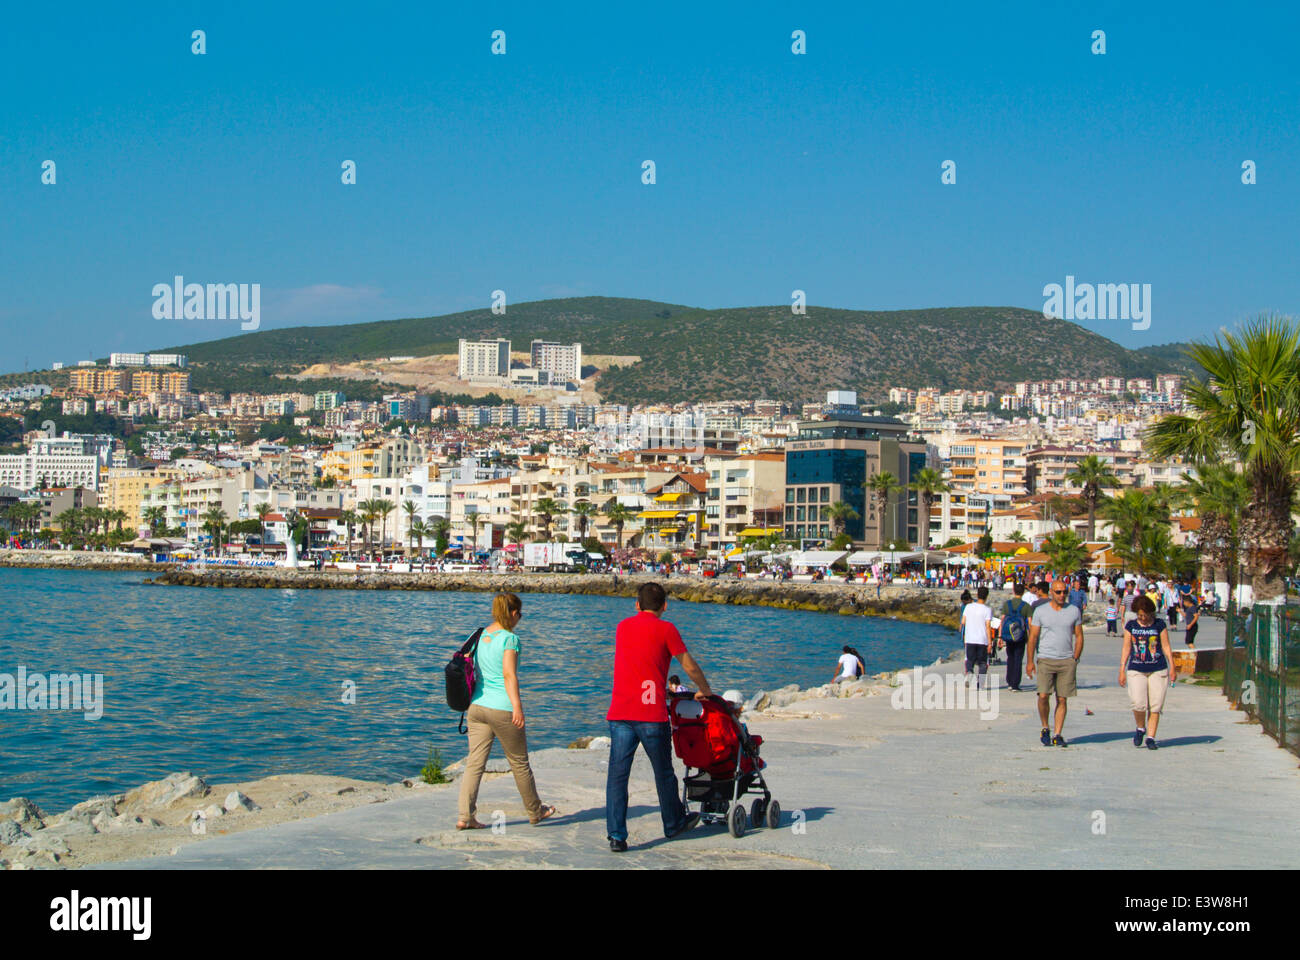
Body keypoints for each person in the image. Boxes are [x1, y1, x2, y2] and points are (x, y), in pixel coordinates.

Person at [605, 582, 712, 852]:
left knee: (618, 775)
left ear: (637, 605)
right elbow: (687, 663)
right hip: (651, 713)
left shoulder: (622, 627)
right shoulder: (667, 629)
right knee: (663, 772)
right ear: (665, 606)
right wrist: (705, 690)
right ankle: (673, 822)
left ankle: (617, 835)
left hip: (620, 711)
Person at [457, 592, 556, 830]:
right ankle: (535, 811)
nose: (520, 618)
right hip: (502, 708)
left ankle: (465, 816)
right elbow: (509, 675)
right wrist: (518, 708)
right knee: (519, 762)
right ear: (513, 614)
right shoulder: (510, 639)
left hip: (477, 706)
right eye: (519, 614)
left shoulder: (478, 635)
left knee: (474, 763)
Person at [1026, 579, 1085, 747]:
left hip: (1066, 660)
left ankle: (1058, 733)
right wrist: (1030, 661)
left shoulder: (1073, 611)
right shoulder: (1040, 611)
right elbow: (1033, 638)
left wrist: (1075, 658)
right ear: (1051, 592)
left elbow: (1079, 635)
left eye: (1064, 592)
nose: (1062, 595)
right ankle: (1045, 727)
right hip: (1045, 658)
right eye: (1058, 592)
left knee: (1062, 699)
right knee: (1043, 695)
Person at [1119, 595, 1175, 750]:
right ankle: (1140, 727)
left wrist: (1173, 667)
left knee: (1155, 705)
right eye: (1139, 615)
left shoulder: (1159, 625)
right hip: (1136, 668)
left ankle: (1151, 737)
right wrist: (1121, 669)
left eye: (1145, 615)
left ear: (1151, 612)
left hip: (1158, 668)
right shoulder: (1131, 626)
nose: (1142, 618)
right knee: (1138, 703)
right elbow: (1126, 648)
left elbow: (1166, 646)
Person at [999, 582, 1034, 691]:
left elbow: (1003, 620)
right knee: (1018, 659)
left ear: (1014, 591)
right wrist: (1031, 638)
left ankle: (1009, 681)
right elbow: (1030, 623)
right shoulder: (1026, 606)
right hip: (1020, 636)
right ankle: (1015, 684)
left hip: (1008, 635)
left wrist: (1000, 636)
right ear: (1023, 592)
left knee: (1010, 658)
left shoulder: (1007, 604)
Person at [960, 586, 994, 689]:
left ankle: (969, 671)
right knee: (983, 663)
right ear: (987, 596)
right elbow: (988, 626)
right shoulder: (987, 610)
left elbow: (963, 622)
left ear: (976, 594)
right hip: (982, 640)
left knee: (970, 660)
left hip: (970, 639)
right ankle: (981, 684)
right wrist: (990, 642)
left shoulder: (968, 607)